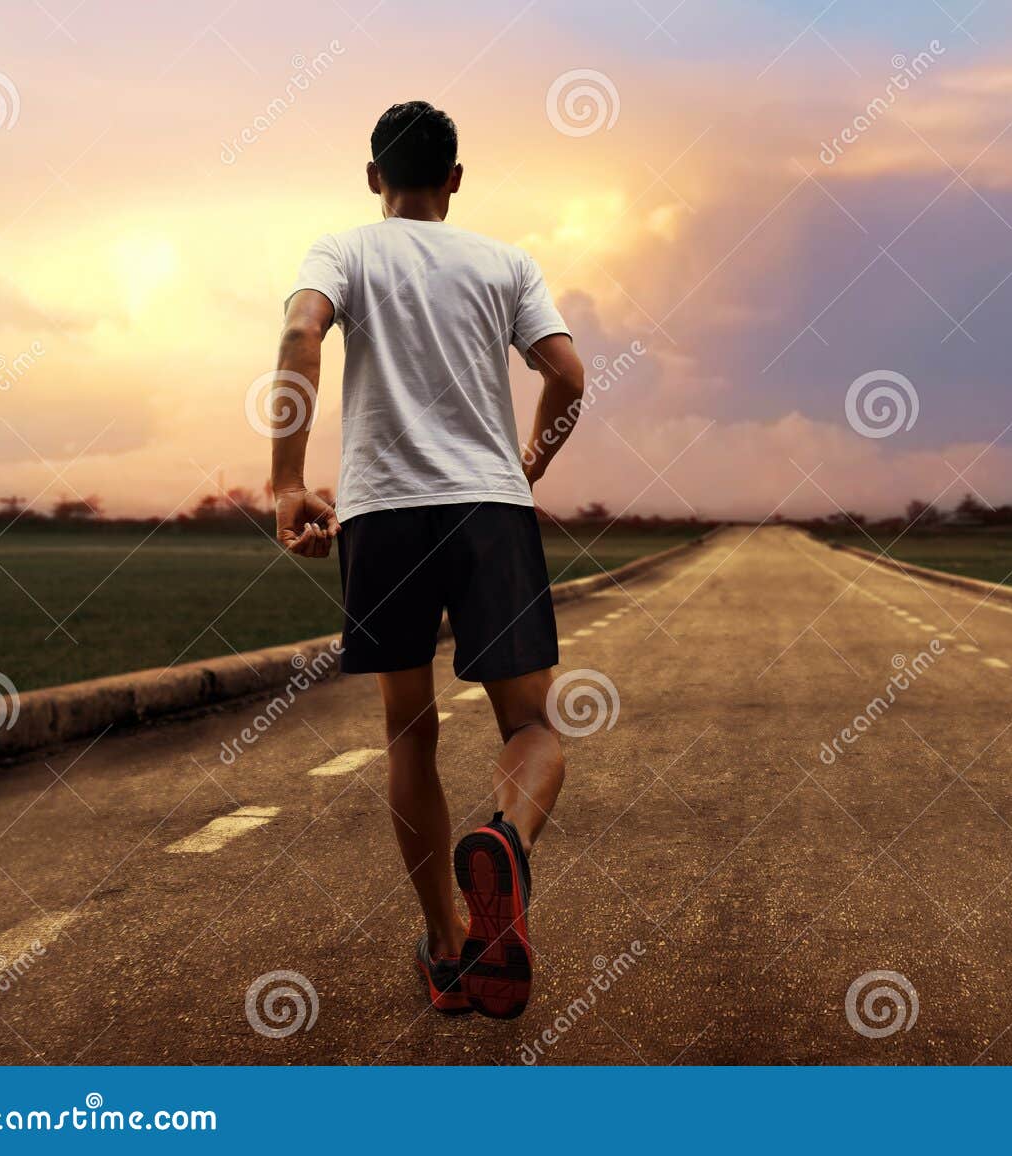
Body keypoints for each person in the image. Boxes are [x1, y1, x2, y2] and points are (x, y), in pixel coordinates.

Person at [268, 100, 585, 1019]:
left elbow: (298, 335)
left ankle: (448, 950)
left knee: (411, 731)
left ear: (374, 179)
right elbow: (566, 374)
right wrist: (528, 463)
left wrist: (288, 482)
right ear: (456, 178)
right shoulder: (505, 262)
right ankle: (508, 843)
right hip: (488, 508)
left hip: (385, 516)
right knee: (531, 728)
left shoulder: (344, 250)